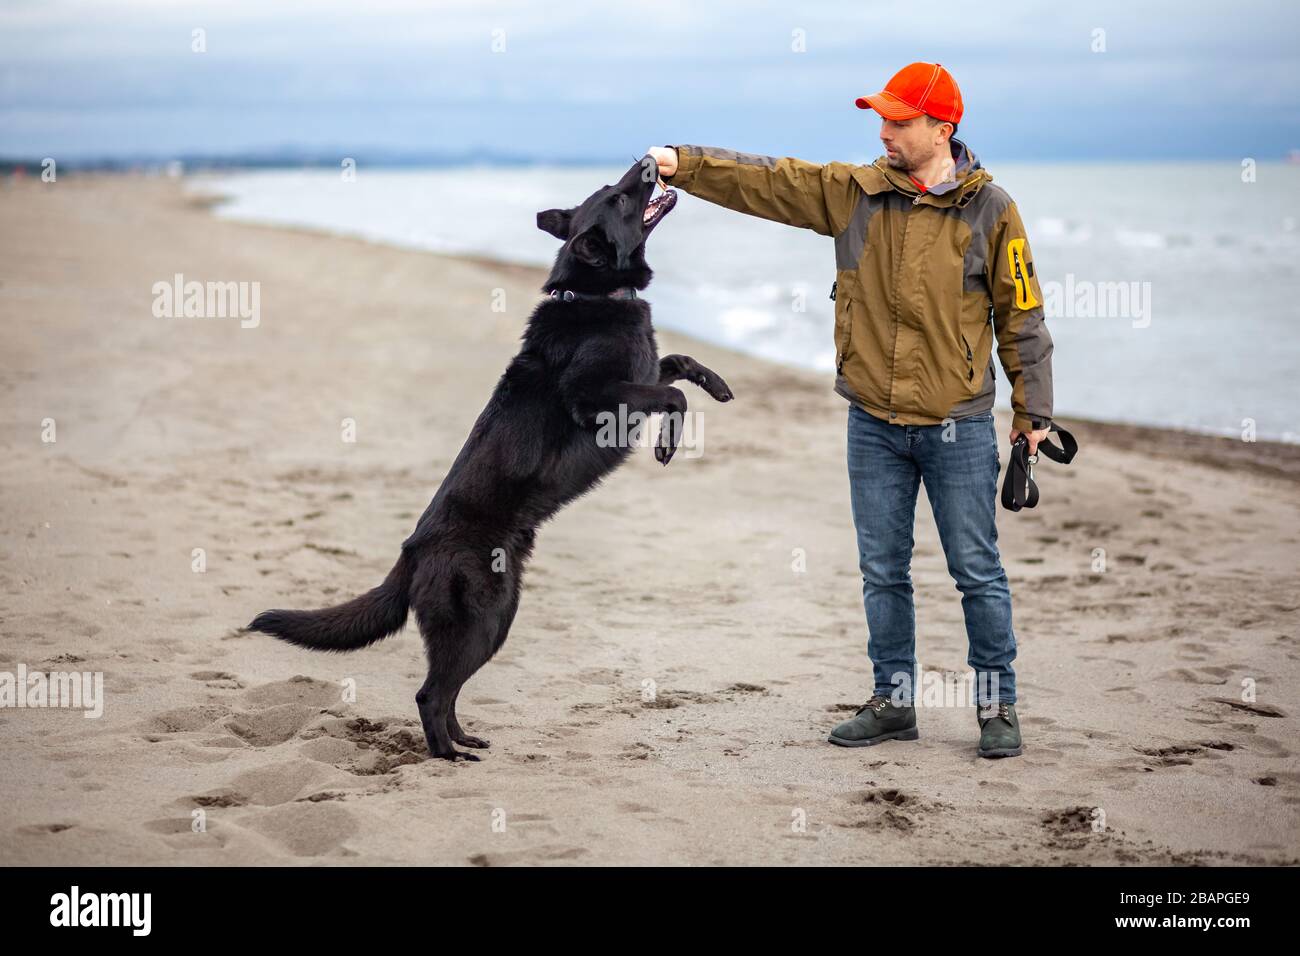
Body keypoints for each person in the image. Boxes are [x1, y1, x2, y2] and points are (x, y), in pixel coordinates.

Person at [647, 62, 1055, 758]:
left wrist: (1033, 411)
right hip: (872, 421)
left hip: (957, 424)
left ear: (942, 128)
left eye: (899, 120)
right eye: (882, 118)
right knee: (882, 570)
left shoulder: (992, 209)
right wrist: (684, 164)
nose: (884, 130)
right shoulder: (854, 193)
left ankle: (997, 707)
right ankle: (894, 704)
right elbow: (771, 181)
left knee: (976, 571)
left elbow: (1021, 312)